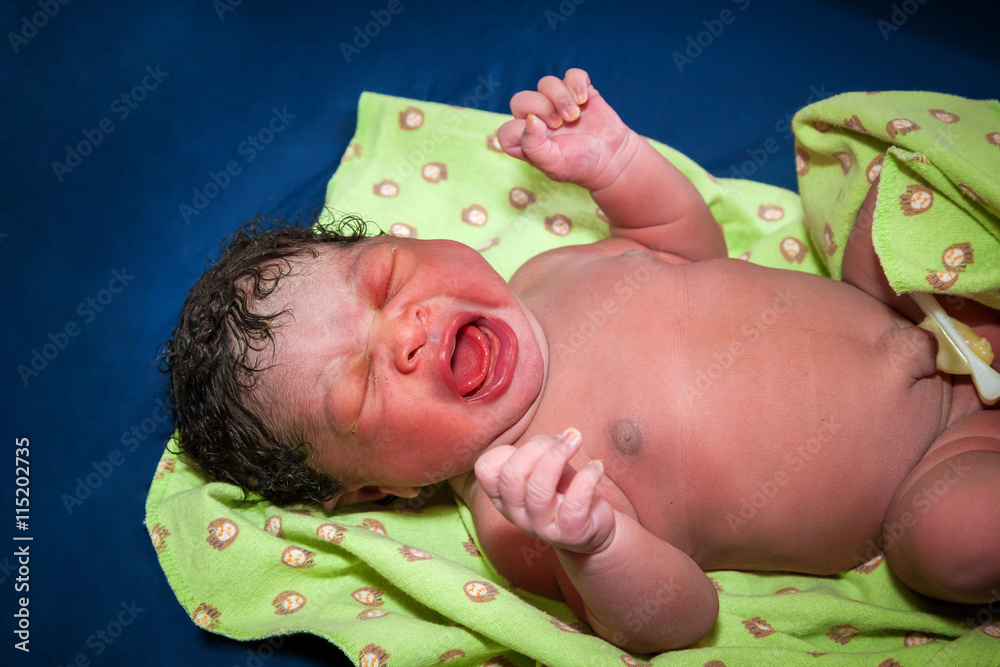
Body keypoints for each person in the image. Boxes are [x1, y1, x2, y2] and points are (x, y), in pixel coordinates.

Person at [163, 68, 1000, 652]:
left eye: (384, 280)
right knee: (951, 549)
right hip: (933, 465)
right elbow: (678, 618)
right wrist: (596, 543)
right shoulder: (524, 506)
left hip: (921, 311)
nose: (406, 333)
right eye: (364, 381)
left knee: (891, 206)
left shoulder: (549, 273)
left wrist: (619, 165)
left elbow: (685, 246)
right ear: (382, 488)